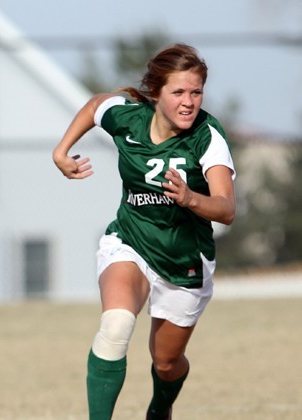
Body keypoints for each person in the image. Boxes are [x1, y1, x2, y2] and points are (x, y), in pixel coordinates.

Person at [52, 43, 236, 420]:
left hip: (184, 259)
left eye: (196, 92)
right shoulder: (129, 119)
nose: (189, 102)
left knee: (166, 363)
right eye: (178, 92)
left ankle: (160, 407)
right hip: (130, 242)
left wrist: (191, 198)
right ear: (155, 92)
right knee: (116, 324)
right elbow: (95, 105)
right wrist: (61, 151)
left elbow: (226, 208)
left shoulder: (207, 137)